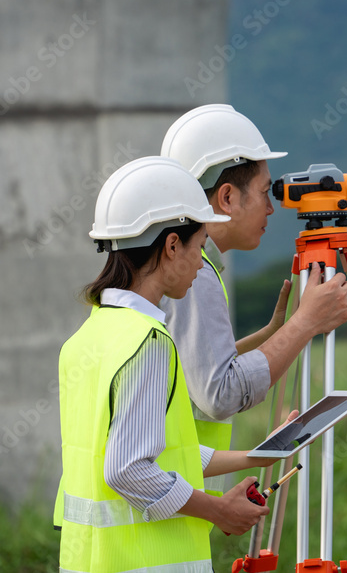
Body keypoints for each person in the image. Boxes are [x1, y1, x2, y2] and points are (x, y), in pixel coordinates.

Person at [53, 156, 296, 573]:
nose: (202, 264)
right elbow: (129, 469)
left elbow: (157, 449)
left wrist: (252, 458)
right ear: (171, 246)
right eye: (200, 247)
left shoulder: (93, 335)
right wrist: (219, 510)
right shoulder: (148, 342)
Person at [159, 104, 347, 494]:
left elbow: (188, 379)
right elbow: (218, 395)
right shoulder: (193, 272)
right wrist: (305, 324)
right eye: (266, 192)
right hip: (156, 529)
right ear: (228, 197)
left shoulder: (177, 263)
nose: (272, 207)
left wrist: (273, 336)